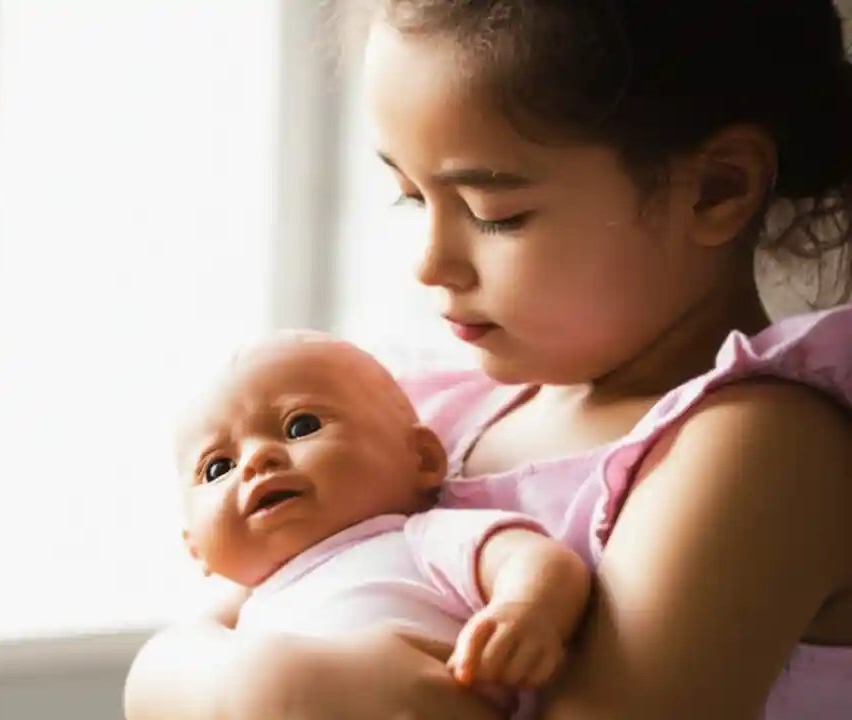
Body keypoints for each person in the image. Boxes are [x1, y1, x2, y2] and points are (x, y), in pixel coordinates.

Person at [124, 1, 852, 717]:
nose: (432, 263)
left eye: (493, 214)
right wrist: (261, 690)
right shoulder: (437, 417)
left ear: (714, 190)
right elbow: (178, 656)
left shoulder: (758, 451)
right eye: (412, 198)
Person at [175, 332, 590, 712]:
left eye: (300, 426)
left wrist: (524, 609)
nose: (256, 460)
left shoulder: (416, 538)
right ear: (195, 547)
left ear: (423, 458)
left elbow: (538, 559)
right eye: (217, 468)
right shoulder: (238, 625)